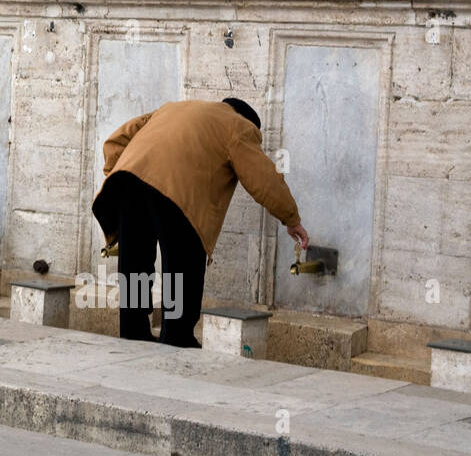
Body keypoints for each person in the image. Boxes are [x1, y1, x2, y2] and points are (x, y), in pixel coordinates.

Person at [92, 97, 310, 348]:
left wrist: (116, 172)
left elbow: (115, 141)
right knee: (181, 267)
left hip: (128, 182)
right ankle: (176, 338)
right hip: (178, 193)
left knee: (135, 263)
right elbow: (263, 178)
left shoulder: (171, 108)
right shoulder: (238, 125)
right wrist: (291, 219)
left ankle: (132, 333)